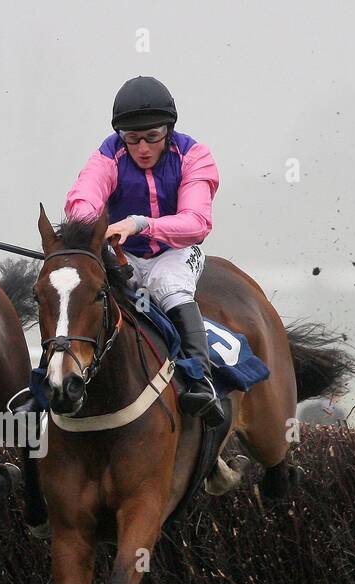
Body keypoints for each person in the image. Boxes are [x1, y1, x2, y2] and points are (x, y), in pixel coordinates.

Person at [64, 76, 225, 423]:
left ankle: (201, 379)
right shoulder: (108, 154)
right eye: (132, 139)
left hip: (176, 250)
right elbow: (81, 200)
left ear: (169, 130)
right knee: (79, 289)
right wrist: (90, 227)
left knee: (167, 283)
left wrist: (140, 224)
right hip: (124, 254)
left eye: (152, 137)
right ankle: (55, 378)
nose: (143, 149)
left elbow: (196, 222)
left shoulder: (195, 156)